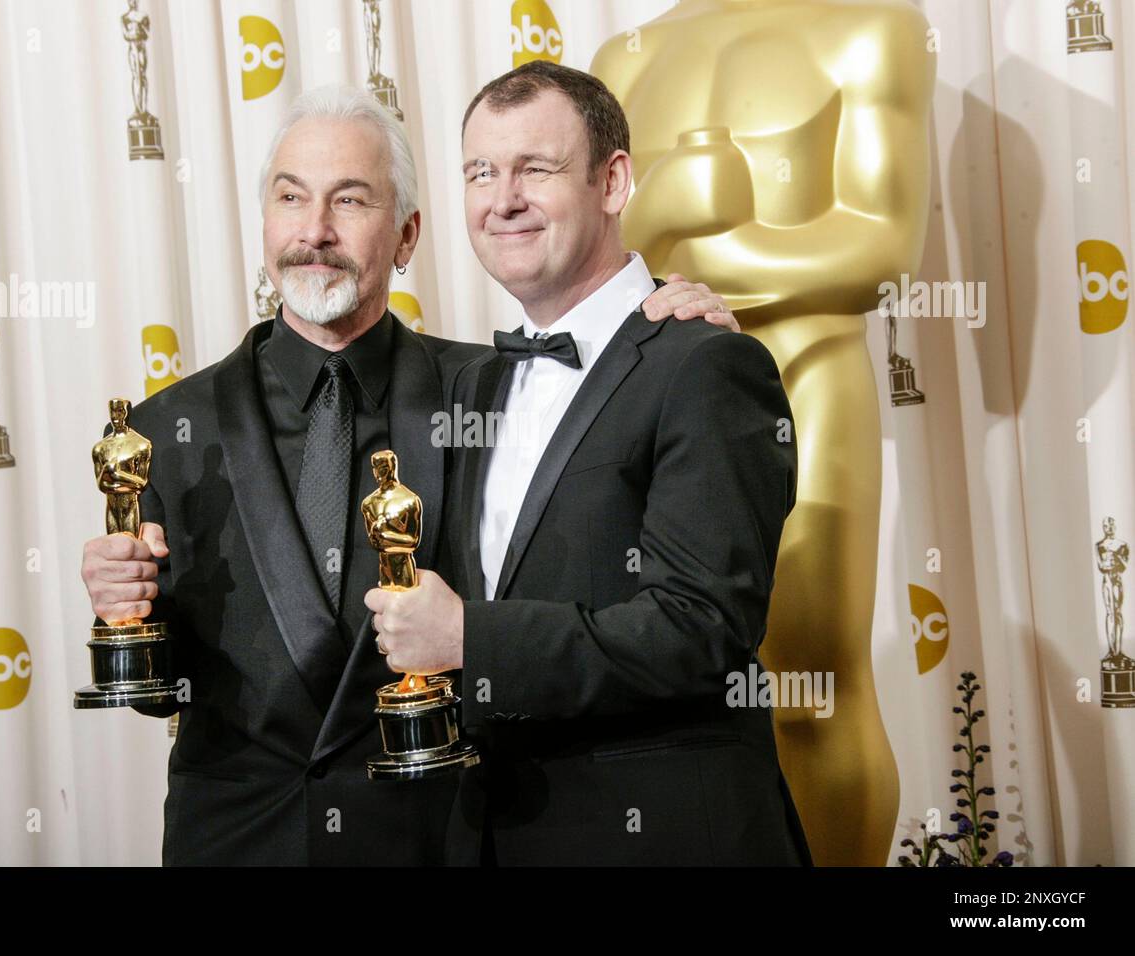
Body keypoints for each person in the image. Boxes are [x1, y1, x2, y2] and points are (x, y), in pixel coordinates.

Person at [79, 84, 734, 865]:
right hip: (237, 843)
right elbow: (165, 693)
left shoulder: (492, 391)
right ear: (264, 222)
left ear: (407, 234)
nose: (314, 231)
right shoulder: (163, 431)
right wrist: (123, 612)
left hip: (441, 839)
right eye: (291, 198)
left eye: (350, 201)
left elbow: (607, 403)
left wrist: (669, 318)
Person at [366, 61, 812, 865]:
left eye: (536, 168)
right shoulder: (472, 383)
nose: (503, 199)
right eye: (480, 172)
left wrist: (472, 636)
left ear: (612, 183)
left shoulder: (706, 364)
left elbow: (702, 628)